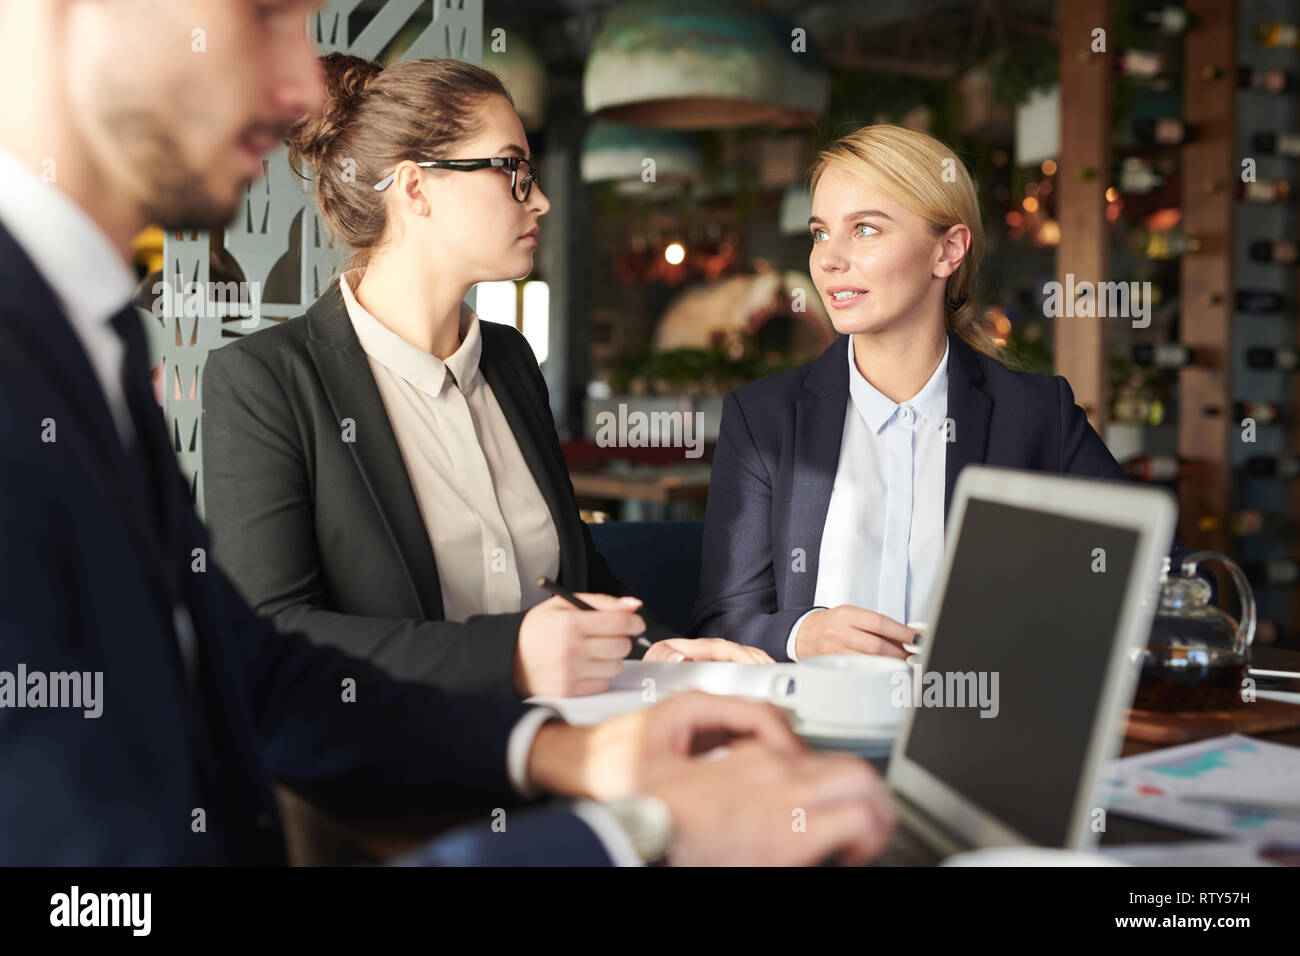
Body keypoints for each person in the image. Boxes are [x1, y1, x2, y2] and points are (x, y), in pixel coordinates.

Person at [0, 0, 894, 866]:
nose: (299, 93)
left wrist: (569, 749)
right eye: (265, 12)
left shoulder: (93, 335)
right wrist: (636, 832)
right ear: (416, 190)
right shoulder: (230, 373)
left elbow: (257, 671)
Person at [200, 52, 767, 702]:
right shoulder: (265, 380)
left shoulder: (508, 359)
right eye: (513, 170)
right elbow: (269, 637)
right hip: (395, 782)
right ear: (415, 189)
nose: (543, 198)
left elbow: (576, 578)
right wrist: (511, 657)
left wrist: (656, 648)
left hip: (576, 741)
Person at [690, 123, 1208, 662]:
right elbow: (721, 620)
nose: (828, 259)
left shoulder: (1036, 416)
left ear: (948, 250)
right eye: (821, 232)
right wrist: (803, 635)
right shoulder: (762, 419)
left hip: (982, 730)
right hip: (808, 729)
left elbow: (1171, 582)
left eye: (865, 229)